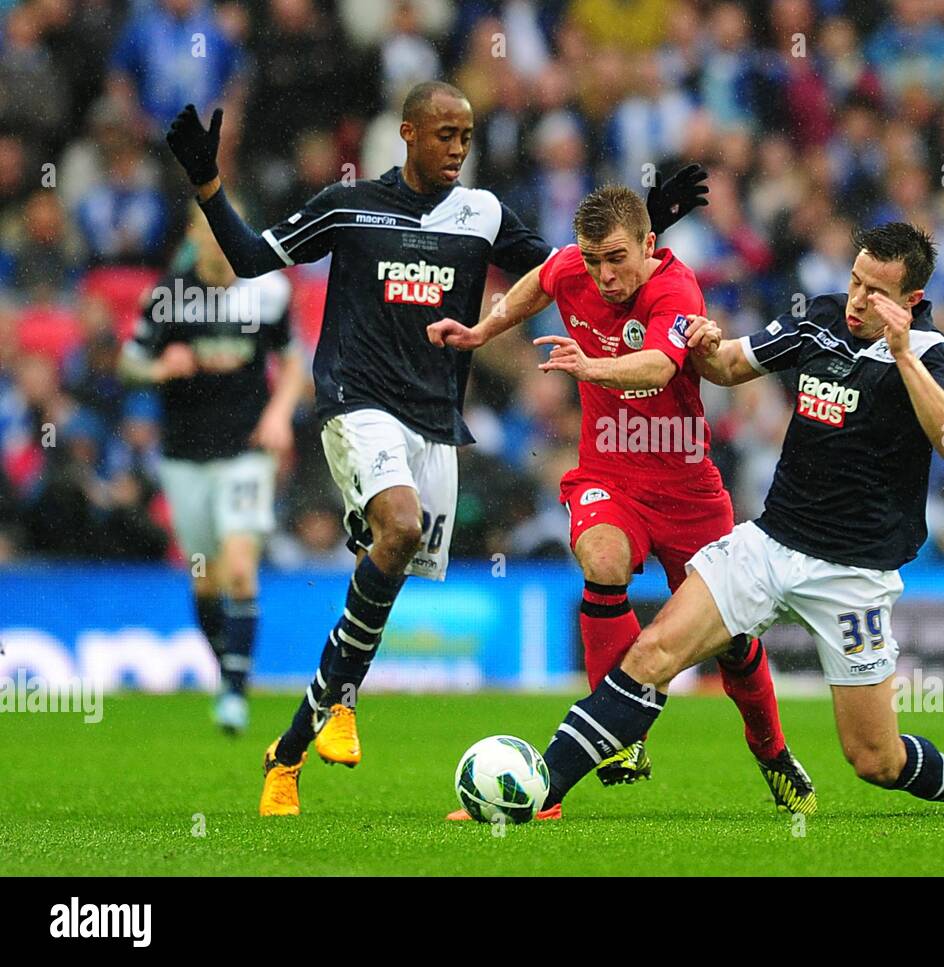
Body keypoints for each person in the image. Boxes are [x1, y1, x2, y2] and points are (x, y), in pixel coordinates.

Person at [163, 81, 707, 816]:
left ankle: (292, 745)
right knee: (399, 526)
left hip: (433, 423)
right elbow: (254, 257)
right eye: (445, 134)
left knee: (384, 578)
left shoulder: (481, 214)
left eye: (467, 136)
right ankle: (330, 701)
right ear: (409, 134)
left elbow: (568, 276)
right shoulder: (348, 206)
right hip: (356, 403)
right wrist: (208, 184)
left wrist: (649, 231)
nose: (458, 149)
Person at [525, 222, 944, 819]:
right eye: (856, 282)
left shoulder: (927, 352)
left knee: (875, 760)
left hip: (853, 574)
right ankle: (541, 793)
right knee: (651, 653)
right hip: (770, 544)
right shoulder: (819, 320)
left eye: (877, 293)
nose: (858, 301)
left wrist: (899, 352)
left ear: (911, 302)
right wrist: (706, 343)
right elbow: (730, 366)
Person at [430, 185, 815, 819]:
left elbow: (659, 369)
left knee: (733, 639)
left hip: (690, 489)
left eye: (616, 259)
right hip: (608, 474)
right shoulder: (573, 267)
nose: (604, 276)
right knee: (602, 564)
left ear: (649, 246)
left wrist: (587, 368)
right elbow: (540, 280)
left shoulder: (677, 290)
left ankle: (771, 749)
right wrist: (483, 328)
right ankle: (618, 742)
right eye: (592, 260)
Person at [118, 203, 302, 734]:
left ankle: (235, 694)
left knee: (241, 567)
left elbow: (292, 360)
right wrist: (158, 368)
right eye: (212, 233)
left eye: (231, 234)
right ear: (194, 237)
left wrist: (278, 415)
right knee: (205, 579)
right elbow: (129, 363)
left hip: (246, 451)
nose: (223, 245)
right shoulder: (169, 294)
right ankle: (228, 670)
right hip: (184, 455)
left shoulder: (266, 290)